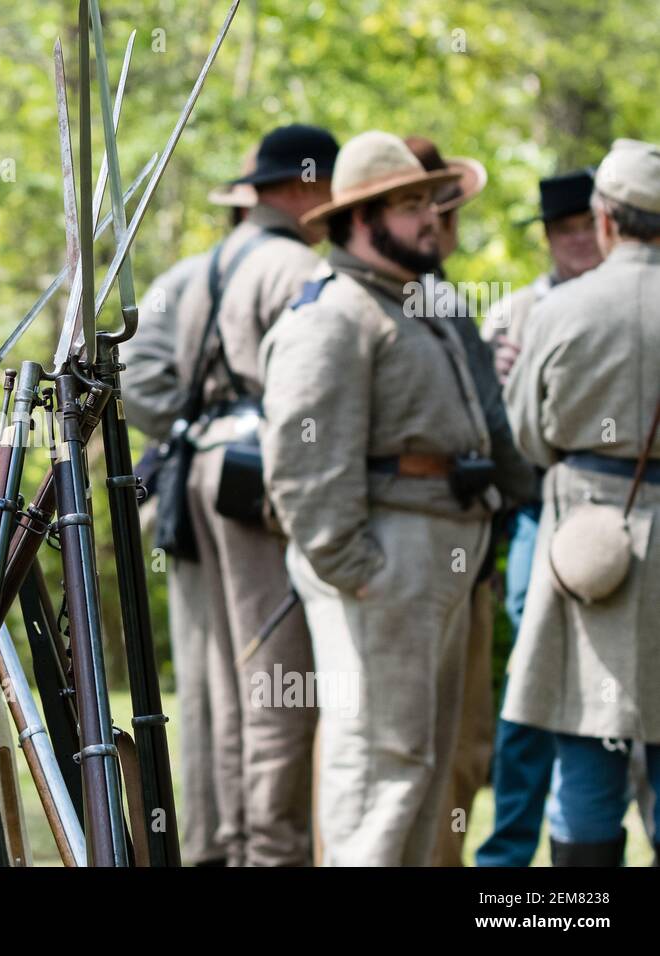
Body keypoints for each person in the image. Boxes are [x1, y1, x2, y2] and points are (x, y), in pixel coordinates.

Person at [260, 131, 498, 866]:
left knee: (419, 768)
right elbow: (301, 462)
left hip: (435, 552)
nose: (432, 216)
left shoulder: (407, 303)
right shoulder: (334, 314)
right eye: (410, 204)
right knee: (378, 773)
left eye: (432, 200)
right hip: (387, 562)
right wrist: (357, 567)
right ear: (361, 218)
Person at [125, 124, 339, 865]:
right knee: (278, 681)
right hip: (259, 483)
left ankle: (220, 845)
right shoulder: (295, 269)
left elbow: (138, 377)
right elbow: (313, 390)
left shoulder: (203, 267)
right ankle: (270, 851)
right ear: (304, 187)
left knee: (220, 677)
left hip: (203, 473)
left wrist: (190, 426)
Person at [500, 138, 660, 866]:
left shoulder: (561, 308)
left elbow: (529, 438)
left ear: (603, 219)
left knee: (585, 743)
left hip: (587, 541)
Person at [404, 136, 540, 866]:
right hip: (429, 557)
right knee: (445, 750)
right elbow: (494, 429)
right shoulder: (428, 302)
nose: (446, 225)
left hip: (453, 546)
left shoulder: (436, 302)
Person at [474, 168, 603, 868]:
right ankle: (509, 854)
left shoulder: (626, 301)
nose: (578, 240)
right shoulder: (514, 312)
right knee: (530, 678)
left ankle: (589, 836)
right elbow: (490, 427)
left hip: (618, 512)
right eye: (564, 229)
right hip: (536, 511)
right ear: (550, 237)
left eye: (588, 225)